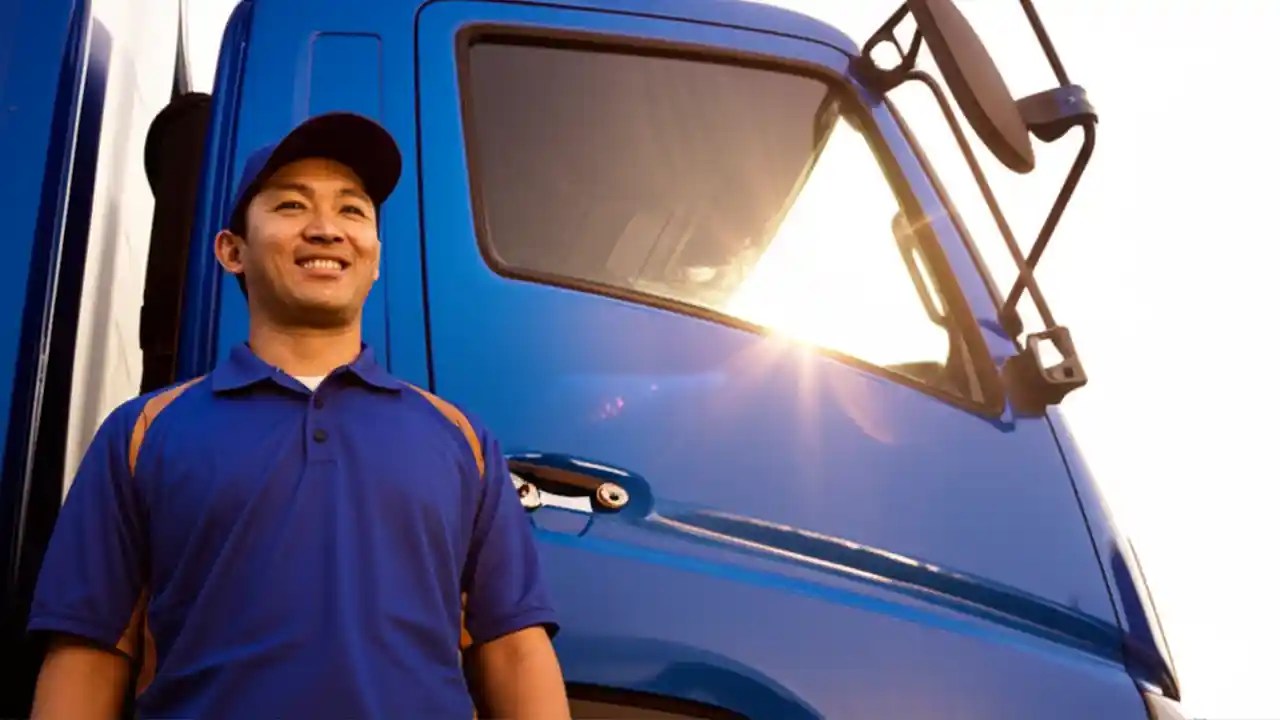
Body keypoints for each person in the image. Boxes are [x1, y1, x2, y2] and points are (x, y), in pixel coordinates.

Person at [26, 112, 571, 719]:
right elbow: (89, 651)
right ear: (232, 251)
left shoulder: (459, 438)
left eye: (352, 211)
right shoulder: (143, 434)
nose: (326, 229)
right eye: (291, 205)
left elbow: (514, 649)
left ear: (376, 257)